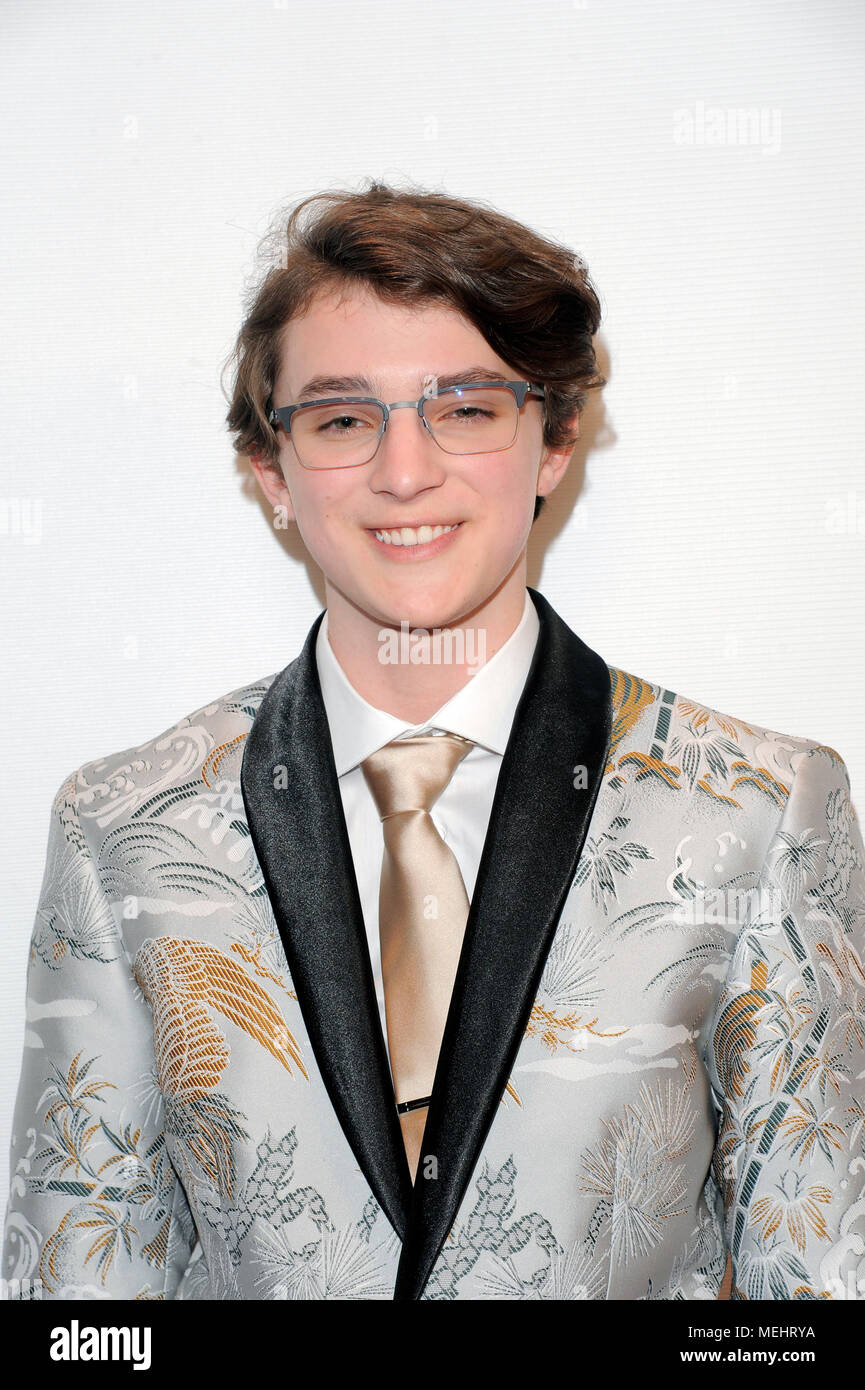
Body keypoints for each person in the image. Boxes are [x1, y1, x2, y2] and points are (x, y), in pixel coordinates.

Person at [3, 181, 864, 1303]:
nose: (404, 473)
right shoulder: (120, 827)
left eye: (463, 407)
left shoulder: (760, 809)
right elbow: (79, 1319)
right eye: (344, 416)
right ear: (272, 472)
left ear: (553, 440)